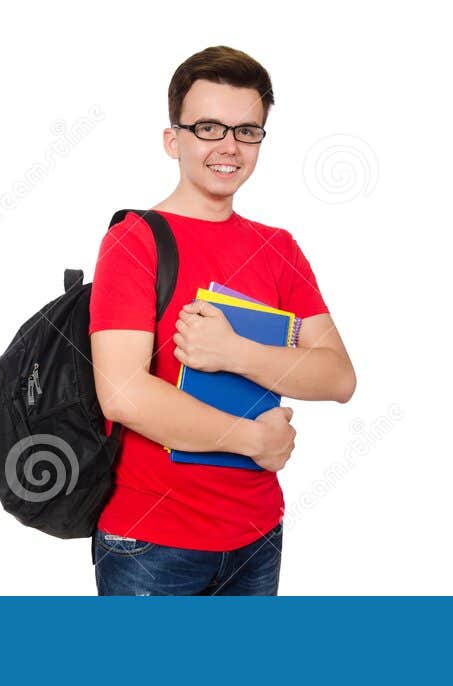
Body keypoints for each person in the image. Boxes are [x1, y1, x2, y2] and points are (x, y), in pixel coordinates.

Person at [87, 46, 357, 596]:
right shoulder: (134, 241)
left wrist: (235, 352)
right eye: (208, 127)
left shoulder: (278, 248)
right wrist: (253, 440)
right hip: (151, 544)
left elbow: (338, 377)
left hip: (256, 536)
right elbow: (121, 393)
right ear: (173, 139)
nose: (229, 147)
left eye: (247, 130)